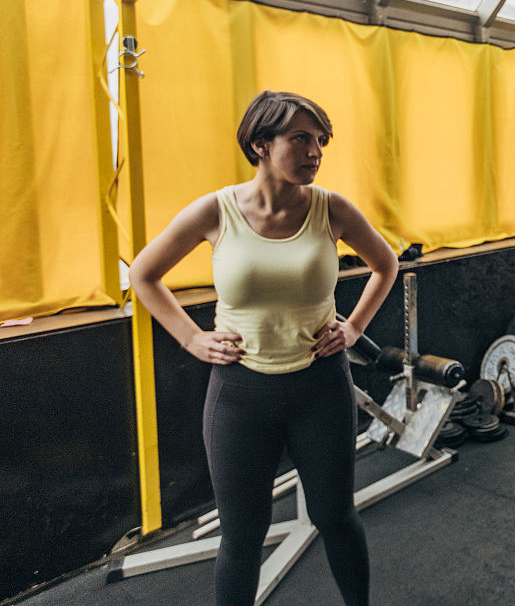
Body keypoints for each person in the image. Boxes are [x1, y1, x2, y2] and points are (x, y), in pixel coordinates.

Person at [129, 91, 399, 606]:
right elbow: (144, 275)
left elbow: (386, 265)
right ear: (260, 144)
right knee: (242, 537)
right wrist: (191, 337)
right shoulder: (217, 210)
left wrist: (355, 327)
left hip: (319, 388)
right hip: (240, 394)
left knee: (336, 518)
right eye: (300, 139)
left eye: (320, 141)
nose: (315, 151)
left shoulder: (331, 209)